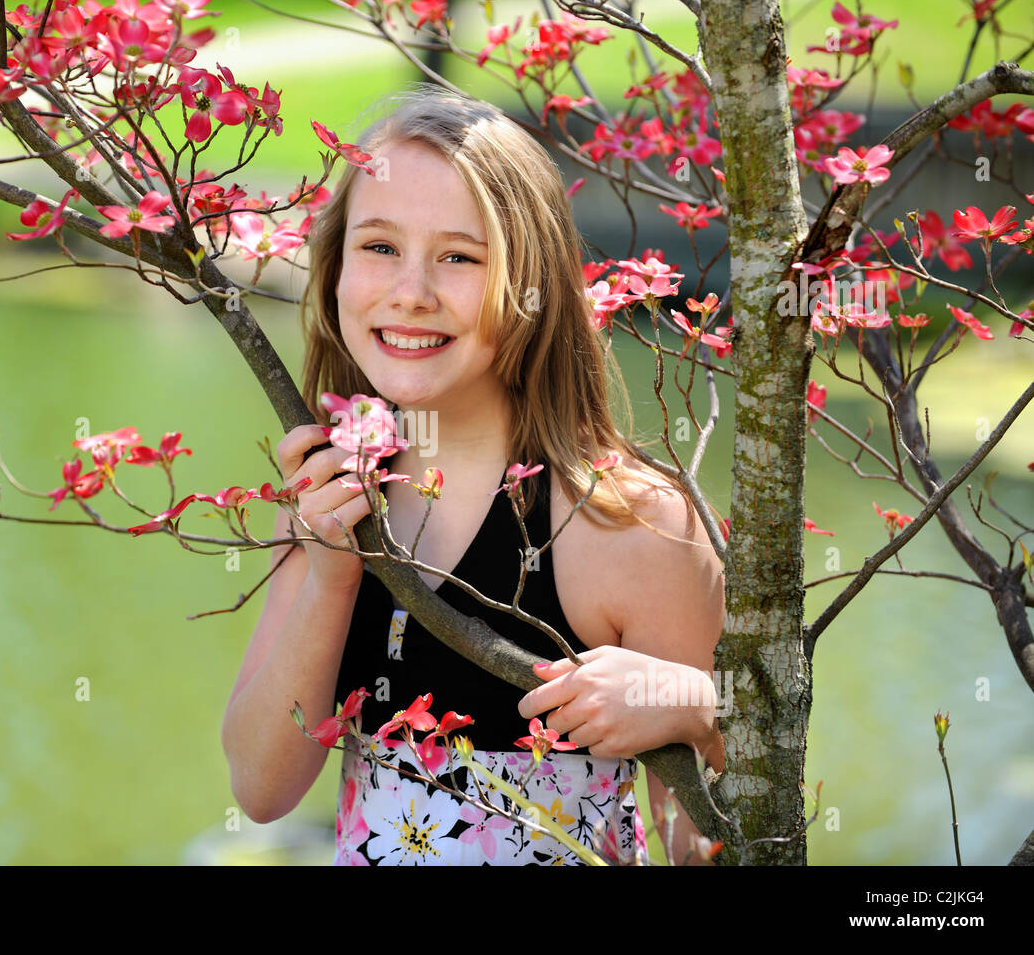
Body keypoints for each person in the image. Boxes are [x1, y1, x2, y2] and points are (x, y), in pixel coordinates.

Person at [221, 84, 726, 865]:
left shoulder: (634, 524)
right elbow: (260, 789)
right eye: (380, 247)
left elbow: (716, 841)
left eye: (459, 257)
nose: (410, 294)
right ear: (333, 269)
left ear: (533, 286)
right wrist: (329, 576)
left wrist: (692, 706)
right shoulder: (333, 492)